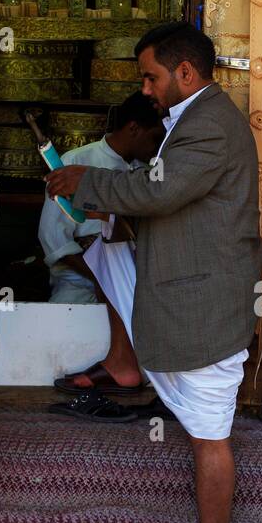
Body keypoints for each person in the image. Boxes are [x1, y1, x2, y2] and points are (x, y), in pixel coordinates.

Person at [45, 22, 262, 523]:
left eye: (151, 76)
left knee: (210, 435)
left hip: (207, 303)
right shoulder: (192, 122)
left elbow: (159, 192)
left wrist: (88, 181)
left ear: (184, 73)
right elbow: (165, 196)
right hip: (190, 296)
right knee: (202, 430)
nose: (144, 88)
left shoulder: (209, 126)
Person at [40, 93, 164, 402]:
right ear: (134, 128)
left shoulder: (146, 174)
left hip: (133, 283)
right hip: (79, 283)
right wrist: (99, 276)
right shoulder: (75, 163)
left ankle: (127, 371)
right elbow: (54, 241)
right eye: (154, 138)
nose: (156, 147)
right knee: (48, 341)